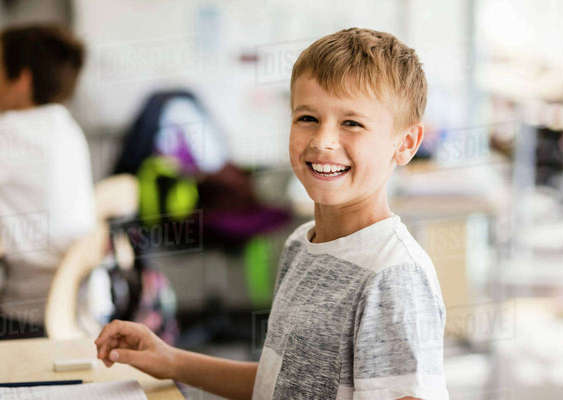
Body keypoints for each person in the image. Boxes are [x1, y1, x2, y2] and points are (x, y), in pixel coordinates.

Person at [95, 28, 448, 400]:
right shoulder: (301, 244)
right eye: (308, 118)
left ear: (405, 144)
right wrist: (171, 360)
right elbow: (281, 382)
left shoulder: (394, 275)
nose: (322, 141)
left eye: (352, 123)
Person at [0, 24, 95, 339]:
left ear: (22, 79)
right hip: (78, 308)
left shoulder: (11, 131)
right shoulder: (68, 129)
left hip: (29, 318)